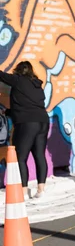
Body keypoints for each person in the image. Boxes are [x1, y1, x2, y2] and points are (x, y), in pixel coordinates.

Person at [0, 62, 50, 198]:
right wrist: (10, 112)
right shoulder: (37, 84)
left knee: (20, 158)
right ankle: (41, 190)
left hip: (27, 123)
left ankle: (24, 191)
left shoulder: (18, 80)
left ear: (18, 71)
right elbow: (28, 104)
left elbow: (2, 76)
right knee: (39, 155)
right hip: (43, 121)